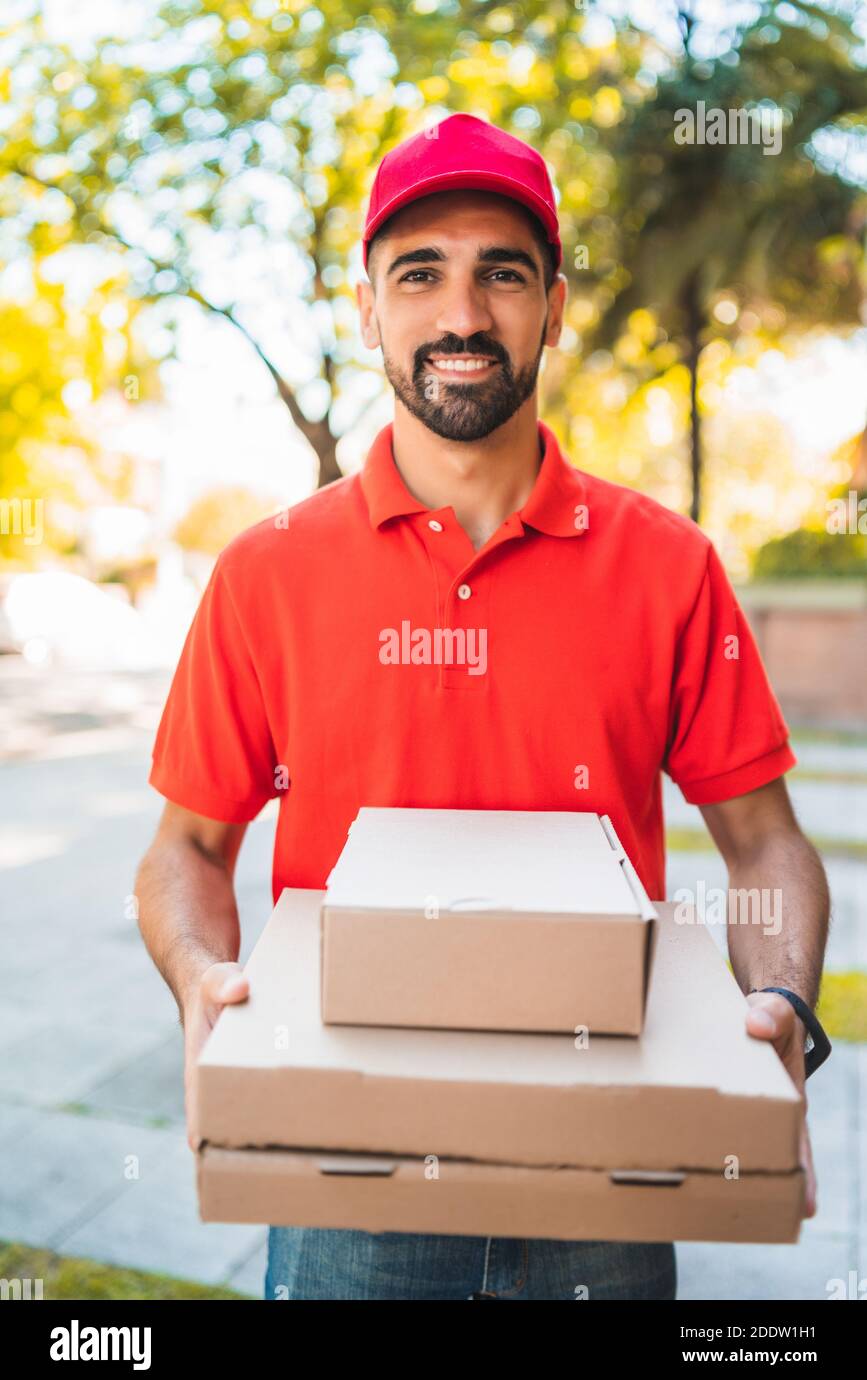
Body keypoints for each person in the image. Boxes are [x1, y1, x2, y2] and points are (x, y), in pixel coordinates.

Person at [135, 114, 829, 1301]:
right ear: (367, 309)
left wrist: (781, 1001)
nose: (462, 315)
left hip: (610, 1186)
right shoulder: (267, 573)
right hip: (344, 1187)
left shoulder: (669, 566)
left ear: (553, 305)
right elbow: (186, 853)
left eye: (501, 273)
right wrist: (202, 975)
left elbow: (762, 840)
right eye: (421, 274)